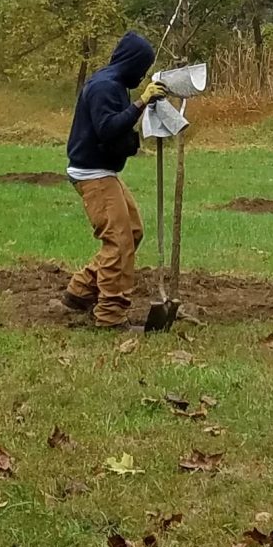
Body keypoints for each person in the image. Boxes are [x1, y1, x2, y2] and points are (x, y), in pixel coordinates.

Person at [60, 31, 168, 327]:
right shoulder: (105, 87)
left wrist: (143, 107)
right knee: (118, 243)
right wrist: (141, 102)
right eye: (142, 69)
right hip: (93, 174)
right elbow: (107, 128)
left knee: (131, 231)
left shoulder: (114, 83)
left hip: (103, 171)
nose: (142, 75)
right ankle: (110, 316)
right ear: (133, 63)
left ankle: (81, 290)